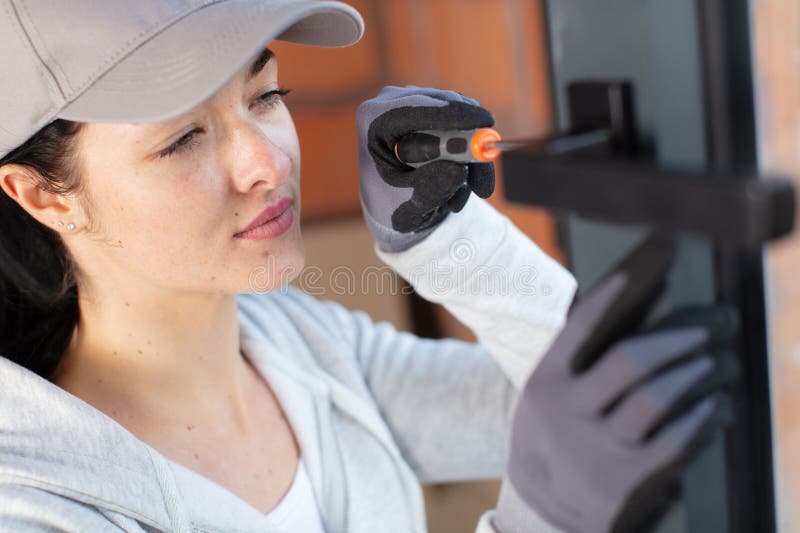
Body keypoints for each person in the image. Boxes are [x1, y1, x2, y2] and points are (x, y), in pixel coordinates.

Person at [0, 1, 737, 532]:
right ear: (41, 194)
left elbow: (585, 401)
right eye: (181, 140)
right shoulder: (39, 506)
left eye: (266, 95)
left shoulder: (306, 349)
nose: (266, 160)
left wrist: (446, 240)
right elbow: (564, 457)